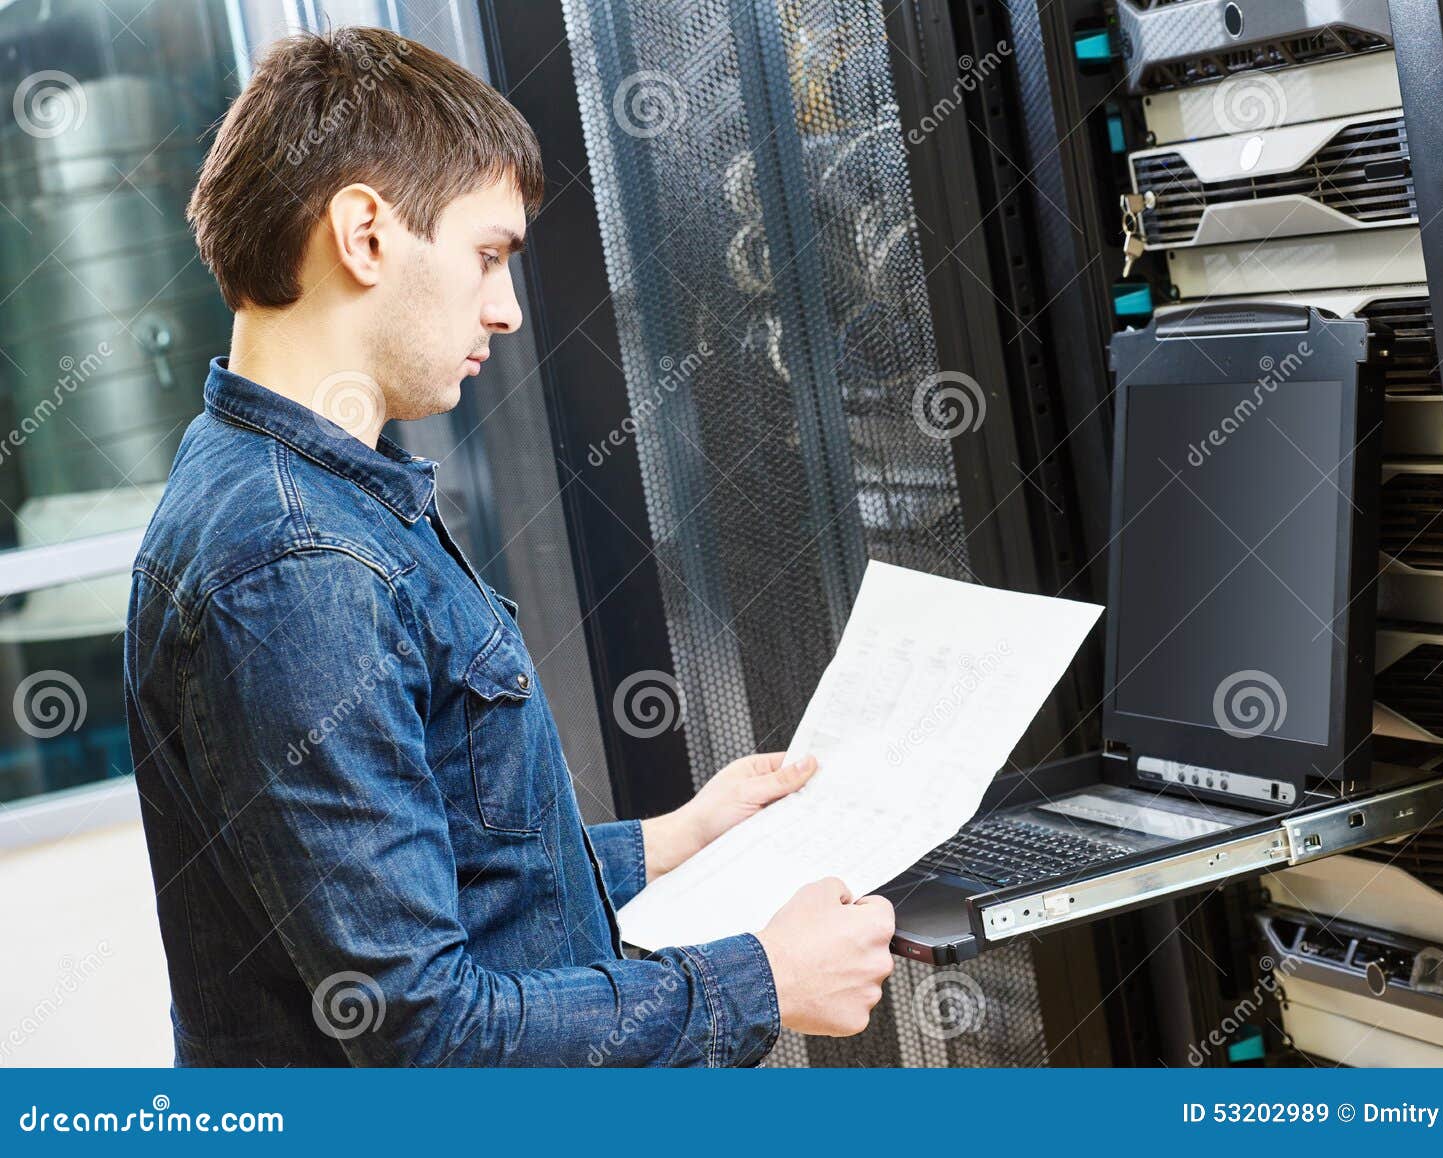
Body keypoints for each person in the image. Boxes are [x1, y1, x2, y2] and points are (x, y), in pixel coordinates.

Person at [125, 25, 895, 1067]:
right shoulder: (297, 562)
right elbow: (430, 1036)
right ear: (363, 236)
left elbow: (433, 881)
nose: (507, 309)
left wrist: (675, 842)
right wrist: (764, 980)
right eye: (487, 256)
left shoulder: (294, 491)